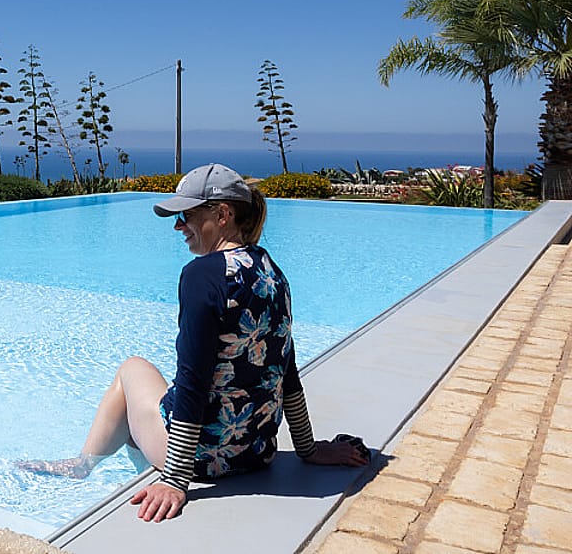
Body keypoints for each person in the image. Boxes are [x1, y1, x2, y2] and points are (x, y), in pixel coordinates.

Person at [18, 163, 369, 522]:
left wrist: (174, 480)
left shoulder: (203, 275)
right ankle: (104, 460)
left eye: (186, 215)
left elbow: (193, 383)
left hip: (203, 461)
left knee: (132, 369)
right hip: (256, 452)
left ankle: (82, 465)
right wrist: (308, 449)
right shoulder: (271, 271)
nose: (178, 226)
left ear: (222, 214)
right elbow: (285, 368)